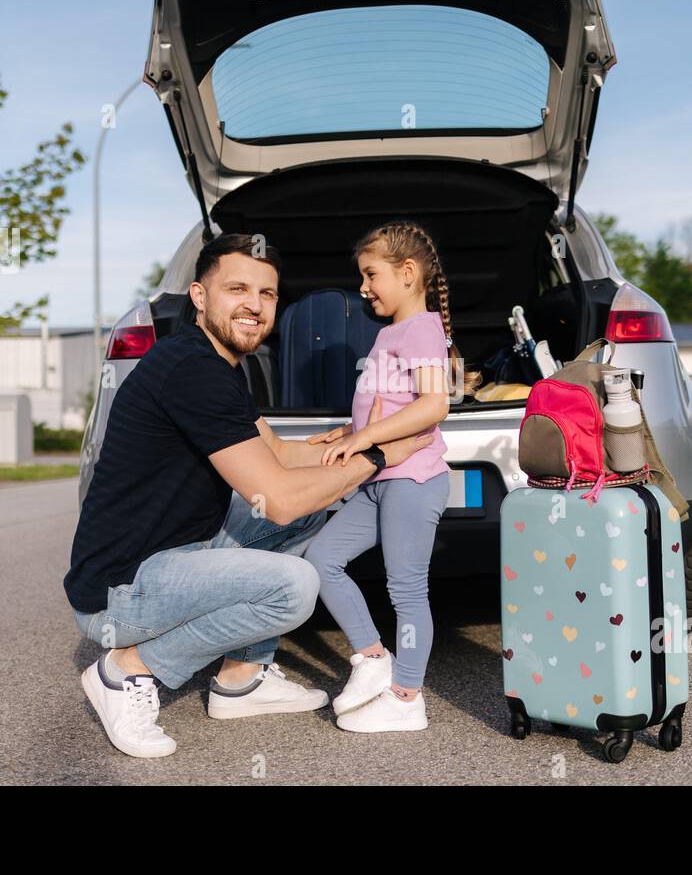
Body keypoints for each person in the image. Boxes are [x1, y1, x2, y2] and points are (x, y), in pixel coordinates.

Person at [63, 233, 431, 757]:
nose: (254, 306)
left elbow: (277, 454)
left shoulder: (217, 364)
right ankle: (126, 671)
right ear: (198, 296)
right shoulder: (191, 370)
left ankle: (242, 679)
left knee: (312, 511)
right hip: (122, 590)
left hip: (175, 556)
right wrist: (376, 460)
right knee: (294, 586)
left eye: (267, 294)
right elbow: (277, 497)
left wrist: (352, 443)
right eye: (237, 288)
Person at [304, 221, 480, 732]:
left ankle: (406, 699)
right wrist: (349, 430)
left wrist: (364, 439)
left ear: (407, 273)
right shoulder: (390, 333)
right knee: (323, 559)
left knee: (406, 591)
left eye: (370, 274)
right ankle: (371, 658)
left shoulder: (421, 328)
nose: (363, 287)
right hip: (380, 483)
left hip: (412, 481)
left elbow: (435, 403)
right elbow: (390, 404)